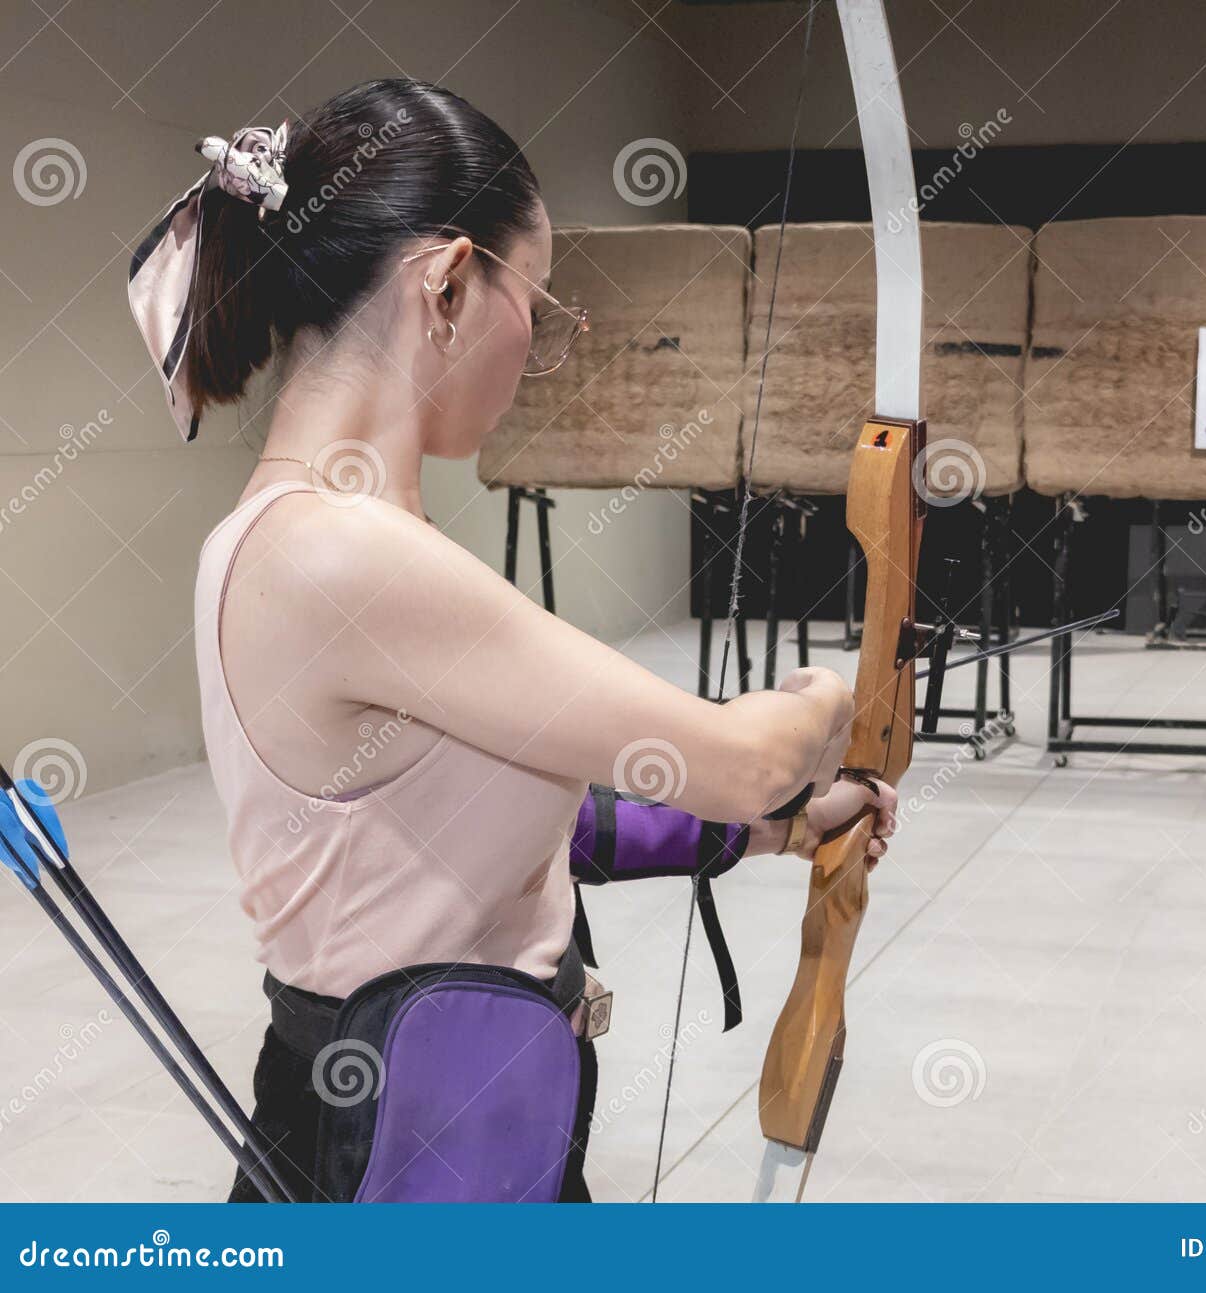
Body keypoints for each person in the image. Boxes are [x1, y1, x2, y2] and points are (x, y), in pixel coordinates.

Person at [127, 77, 896, 1202]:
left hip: (467, 1134)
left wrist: (785, 834)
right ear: (445, 285)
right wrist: (830, 700)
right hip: (406, 1160)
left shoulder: (321, 532)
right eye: (536, 299)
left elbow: (508, 814)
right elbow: (744, 760)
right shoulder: (338, 552)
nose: (540, 338)